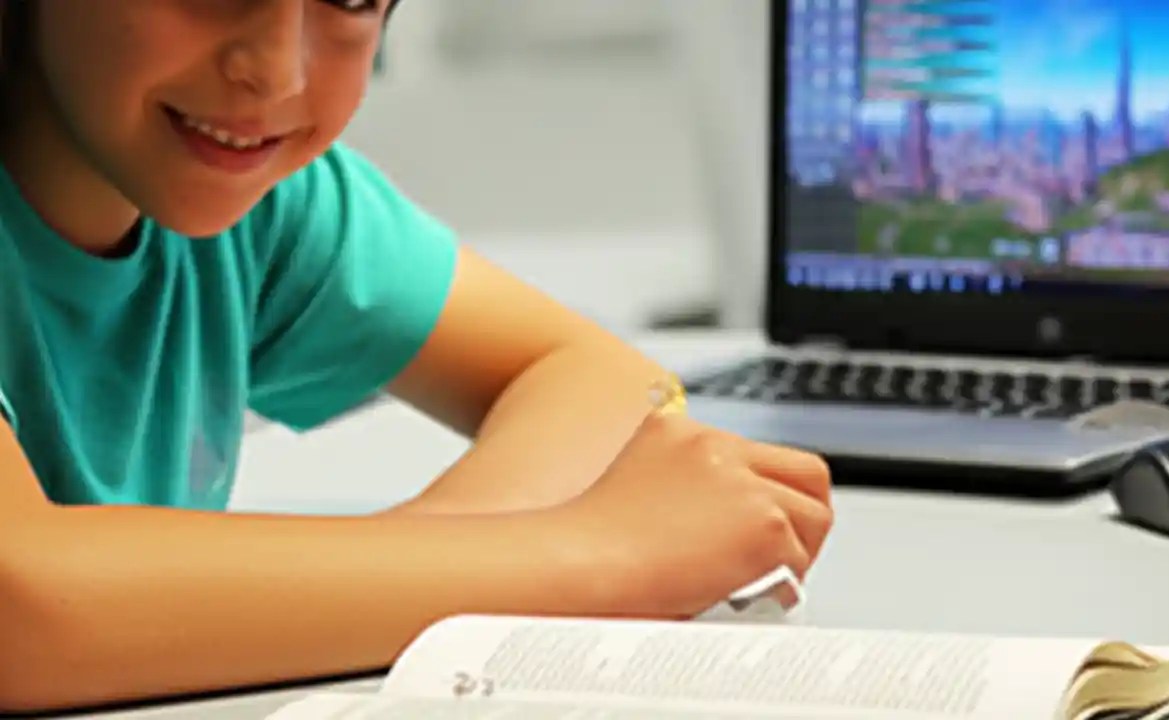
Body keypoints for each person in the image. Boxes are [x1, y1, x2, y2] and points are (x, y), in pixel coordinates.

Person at [0, 0, 834, 713]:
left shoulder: (264, 201)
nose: (278, 73)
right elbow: (19, 606)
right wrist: (605, 557)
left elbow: (602, 378)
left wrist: (423, 576)